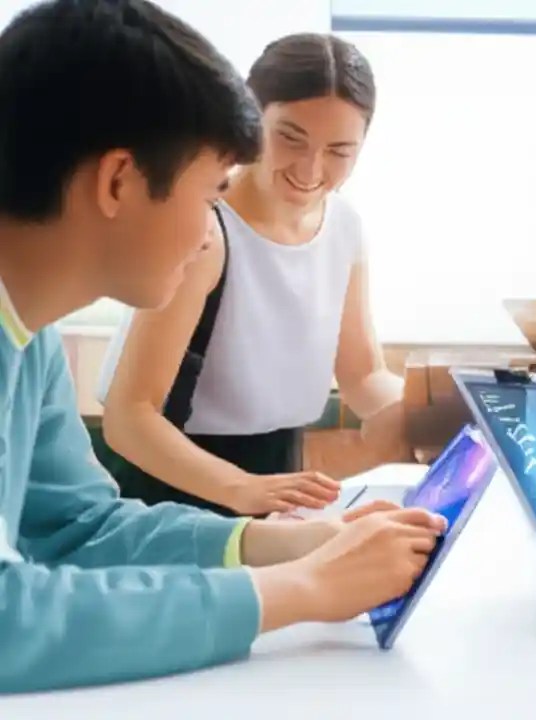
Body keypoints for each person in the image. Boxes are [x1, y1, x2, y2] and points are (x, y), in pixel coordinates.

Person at [0, 0, 445, 693]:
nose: (214, 225)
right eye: (211, 190)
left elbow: (74, 530)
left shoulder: (30, 334)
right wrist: (293, 590)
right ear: (119, 180)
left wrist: (289, 543)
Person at [98, 32, 408, 518]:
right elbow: (128, 417)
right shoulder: (206, 228)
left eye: (340, 150)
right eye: (290, 137)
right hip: (173, 484)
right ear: (251, 117)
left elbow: (363, 375)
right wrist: (242, 489)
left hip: (275, 479)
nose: (311, 168)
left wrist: (429, 416)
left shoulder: (344, 226)